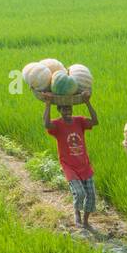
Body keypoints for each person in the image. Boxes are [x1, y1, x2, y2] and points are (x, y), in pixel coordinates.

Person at [43, 98, 98, 230]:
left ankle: (85, 221)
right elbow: (46, 124)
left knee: (91, 196)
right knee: (79, 193)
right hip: (69, 166)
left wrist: (87, 102)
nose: (67, 111)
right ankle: (76, 213)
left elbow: (95, 121)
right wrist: (48, 103)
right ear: (59, 110)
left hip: (84, 164)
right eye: (64, 109)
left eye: (69, 108)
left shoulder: (79, 120)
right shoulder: (57, 124)